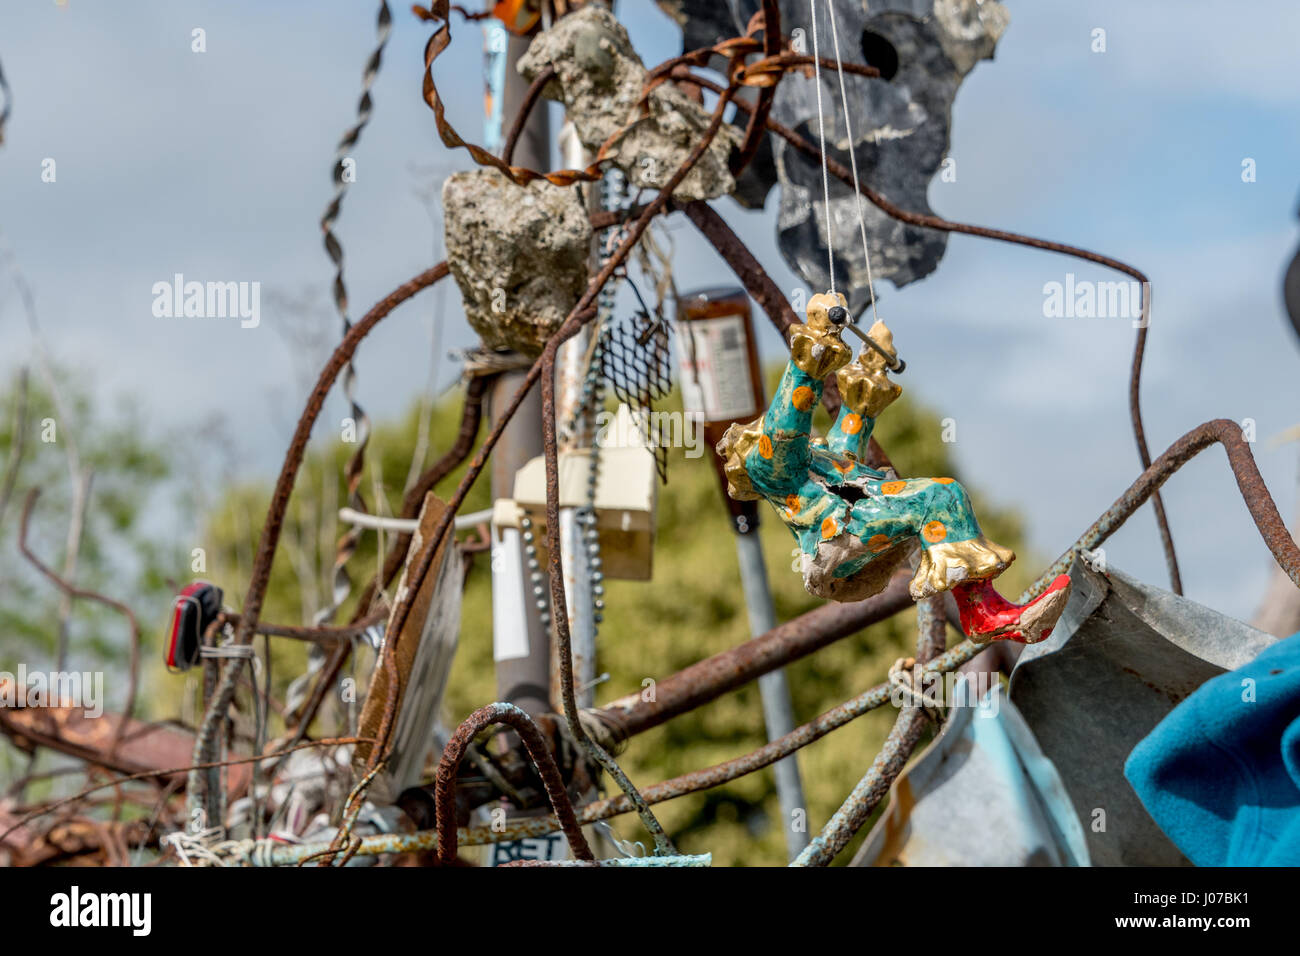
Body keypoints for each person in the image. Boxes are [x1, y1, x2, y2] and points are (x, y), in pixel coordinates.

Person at [717, 292, 1071, 643]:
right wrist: (815, 342)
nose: (759, 427)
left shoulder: (821, 465)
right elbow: (785, 425)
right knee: (940, 494)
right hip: (835, 545)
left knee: (942, 495)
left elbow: (852, 424)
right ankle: (982, 614)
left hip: (855, 530)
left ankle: (985, 611)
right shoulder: (773, 467)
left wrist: (871, 367)